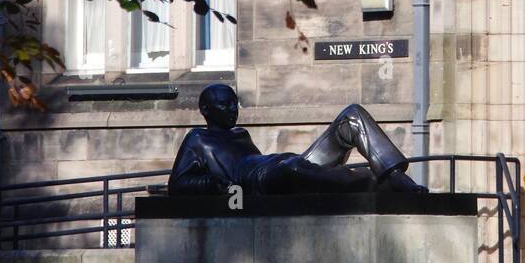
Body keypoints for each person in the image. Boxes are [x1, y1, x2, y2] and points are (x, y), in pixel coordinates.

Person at [168, 83, 426, 196]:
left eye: (235, 104)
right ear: (205, 109)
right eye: (224, 105)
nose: (233, 110)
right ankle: (370, 181)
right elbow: (178, 184)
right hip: (260, 180)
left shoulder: (240, 134)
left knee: (351, 116)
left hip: (282, 167)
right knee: (295, 170)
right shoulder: (198, 139)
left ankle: (392, 175)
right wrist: (213, 183)